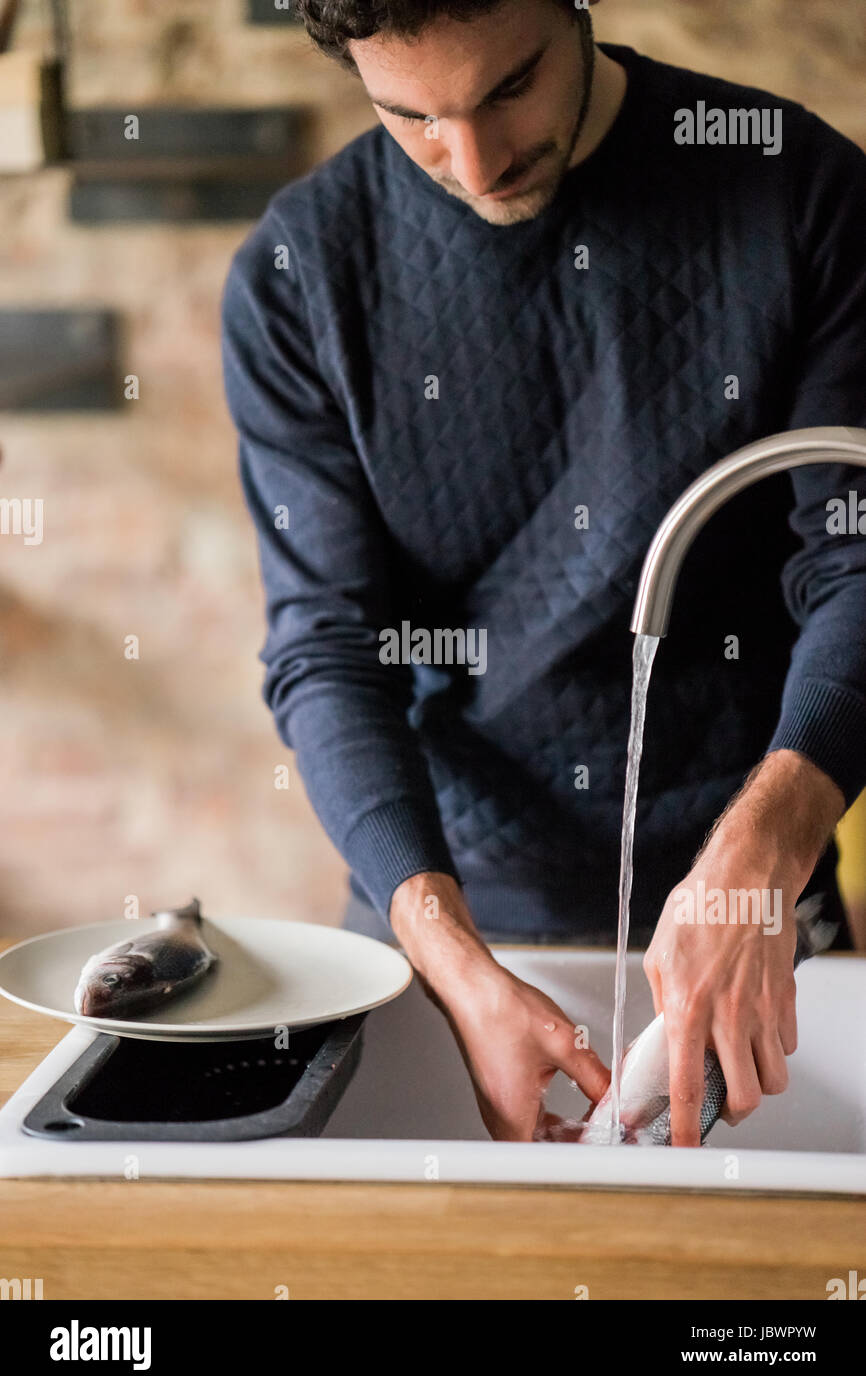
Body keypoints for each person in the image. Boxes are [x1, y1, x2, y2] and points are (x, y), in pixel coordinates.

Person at [221, 0, 866, 1146]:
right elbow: (326, 653)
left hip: (751, 896)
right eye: (409, 115)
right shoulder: (298, 277)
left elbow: (856, 558)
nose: (471, 161)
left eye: (507, 88)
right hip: (438, 922)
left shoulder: (800, 192)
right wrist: (450, 956)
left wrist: (767, 840)